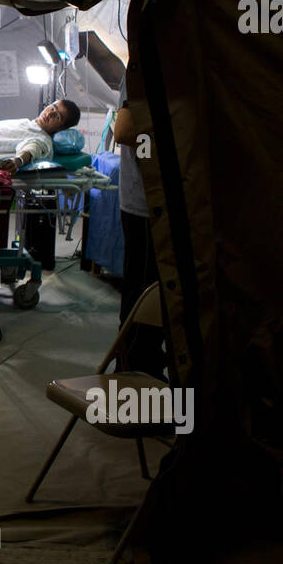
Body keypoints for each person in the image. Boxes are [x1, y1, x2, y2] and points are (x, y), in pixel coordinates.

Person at [112, 73, 165, 377]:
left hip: (163, 205)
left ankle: (149, 371)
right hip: (145, 206)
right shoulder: (143, 69)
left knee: (161, 297)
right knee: (143, 298)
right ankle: (132, 377)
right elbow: (125, 130)